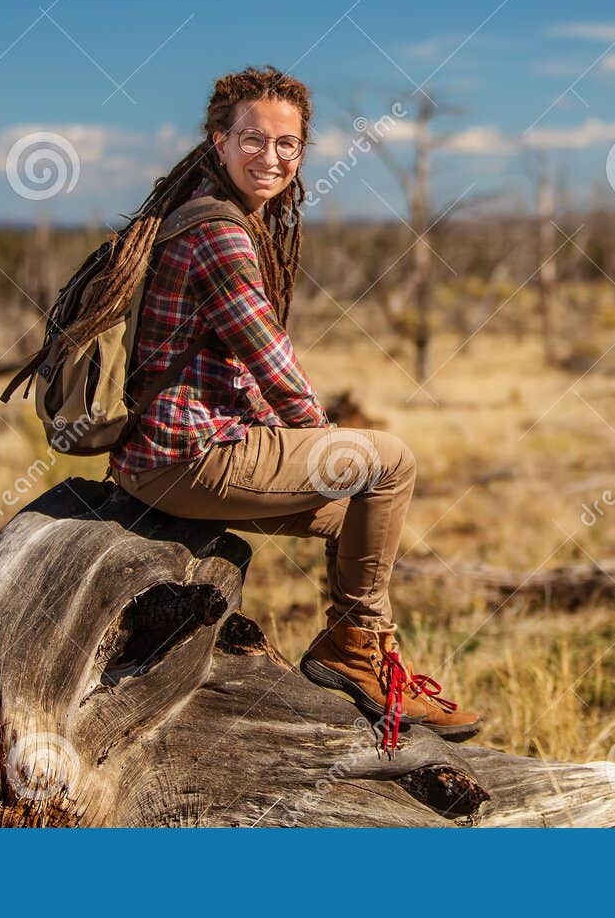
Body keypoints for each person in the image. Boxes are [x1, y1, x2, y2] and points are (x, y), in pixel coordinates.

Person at [103, 65, 479, 746]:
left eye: (288, 144)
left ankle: (365, 660)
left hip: (169, 450)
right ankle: (357, 650)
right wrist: (322, 443)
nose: (271, 157)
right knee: (387, 463)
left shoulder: (203, 209)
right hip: (185, 455)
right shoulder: (219, 230)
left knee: (360, 513)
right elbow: (271, 359)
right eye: (253, 139)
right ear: (218, 140)